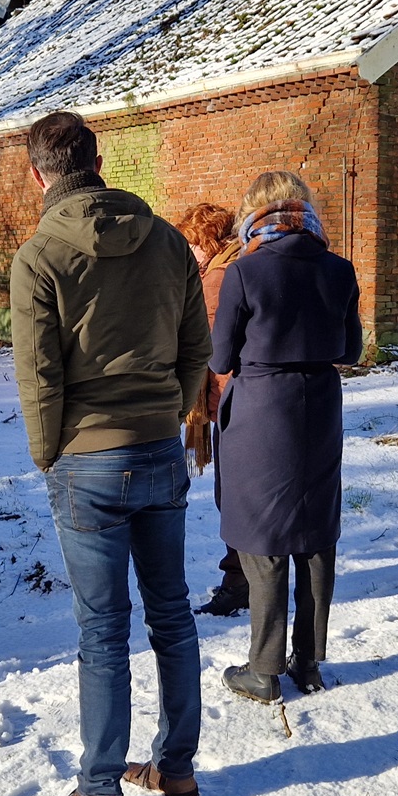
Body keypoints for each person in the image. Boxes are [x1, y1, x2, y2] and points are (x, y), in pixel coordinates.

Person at [10, 111, 212, 796]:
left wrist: (48, 454)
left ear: (39, 174)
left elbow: (38, 374)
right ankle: (177, 764)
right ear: (97, 161)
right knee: (172, 612)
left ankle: (100, 790)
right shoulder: (169, 242)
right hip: (158, 449)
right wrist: (169, 414)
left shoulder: (40, 256)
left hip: (87, 460)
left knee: (103, 630)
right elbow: (199, 348)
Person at [210, 171, 362, 703]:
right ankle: (311, 662)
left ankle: (264, 668)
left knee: (264, 538)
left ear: (254, 211)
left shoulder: (245, 271)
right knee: (316, 536)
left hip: (260, 414)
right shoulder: (340, 269)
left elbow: (221, 357)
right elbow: (351, 350)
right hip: (319, 408)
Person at [172, 202, 251, 617]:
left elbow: (213, 346)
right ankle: (247, 579)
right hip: (236, 399)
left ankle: (241, 582)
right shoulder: (232, 264)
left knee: (234, 497)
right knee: (239, 496)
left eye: (192, 243)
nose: (189, 253)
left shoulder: (219, 276)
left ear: (207, 239)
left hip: (228, 400)